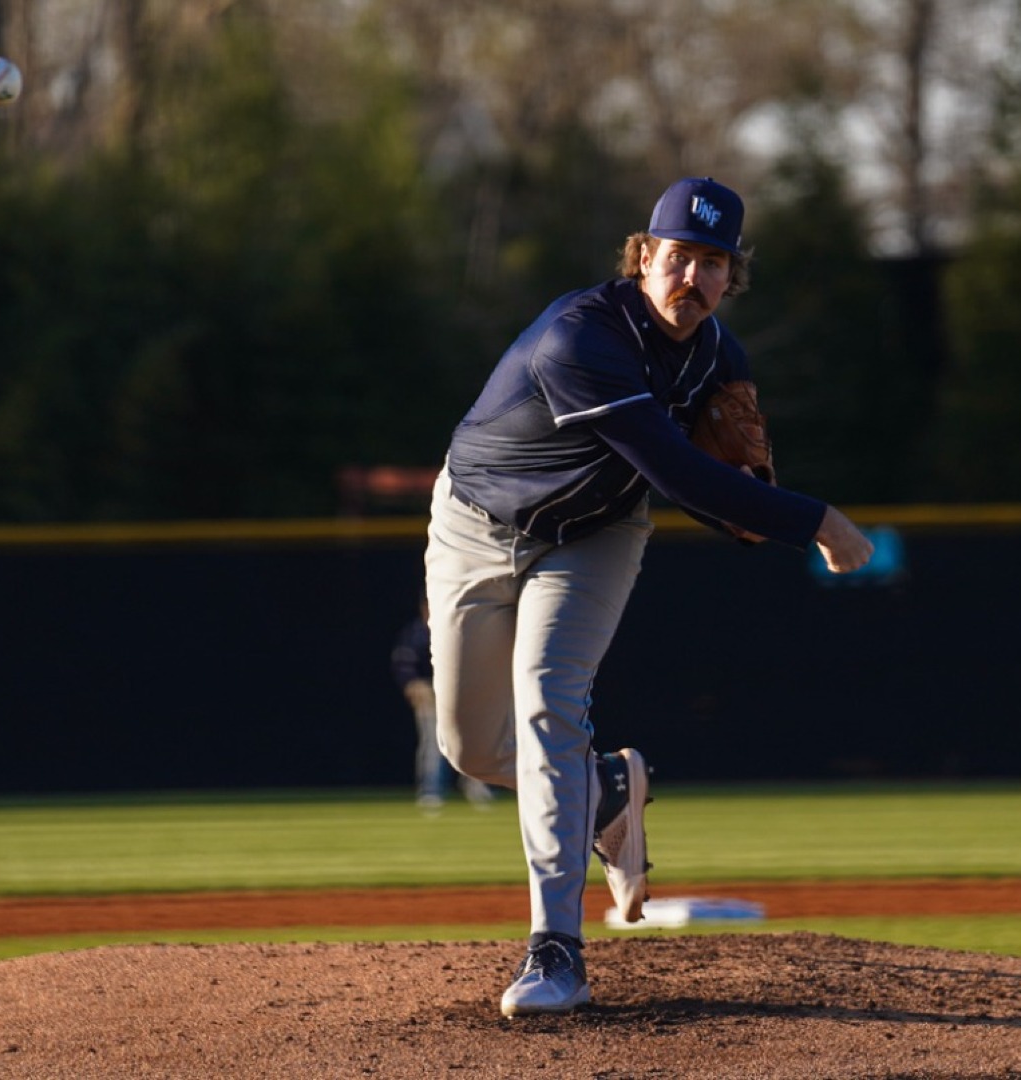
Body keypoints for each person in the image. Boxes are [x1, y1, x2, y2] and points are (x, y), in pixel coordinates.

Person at [424, 176, 873, 1018]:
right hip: (475, 528)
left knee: (546, 706)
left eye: (715, 263)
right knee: (468, 747)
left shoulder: (716, 356)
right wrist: (814, 519)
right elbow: (679, 472)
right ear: (643, 257)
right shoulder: (579, 338)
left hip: (595, 534)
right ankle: (607, 791)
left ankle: (555, 954)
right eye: (679, 257)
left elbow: (722, 483)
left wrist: (755, 498)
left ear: (730, 278)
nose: (694, 277)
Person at [391, 597, 493, 811]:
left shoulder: (457, 628)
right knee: (433, 744)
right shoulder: (416, 632)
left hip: (460, 690)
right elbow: (403, 664)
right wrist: (413, 685)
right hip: (431, 693)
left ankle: (475, 786)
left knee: (471, 741)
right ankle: (431, 791)